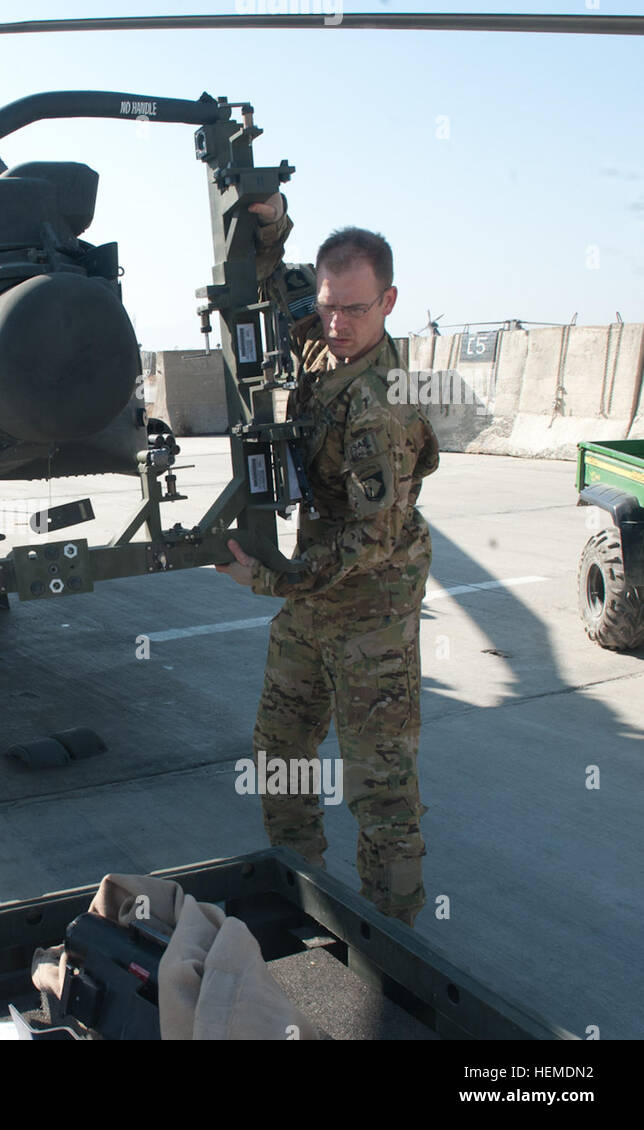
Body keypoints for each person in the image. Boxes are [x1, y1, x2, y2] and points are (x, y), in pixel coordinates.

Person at [215, 195, 440, 926]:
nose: (338, 324)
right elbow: (271, 278)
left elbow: (372, 540)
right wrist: (269, 216)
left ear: (390, 302)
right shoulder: (323, 336)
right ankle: (298, 883)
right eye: (330, 305)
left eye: (356, 310)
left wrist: (273, 577)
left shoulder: (381, 405)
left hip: (371, 602)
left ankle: (395, 941)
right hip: (316, 591)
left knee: (379, 785)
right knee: (280, 744)